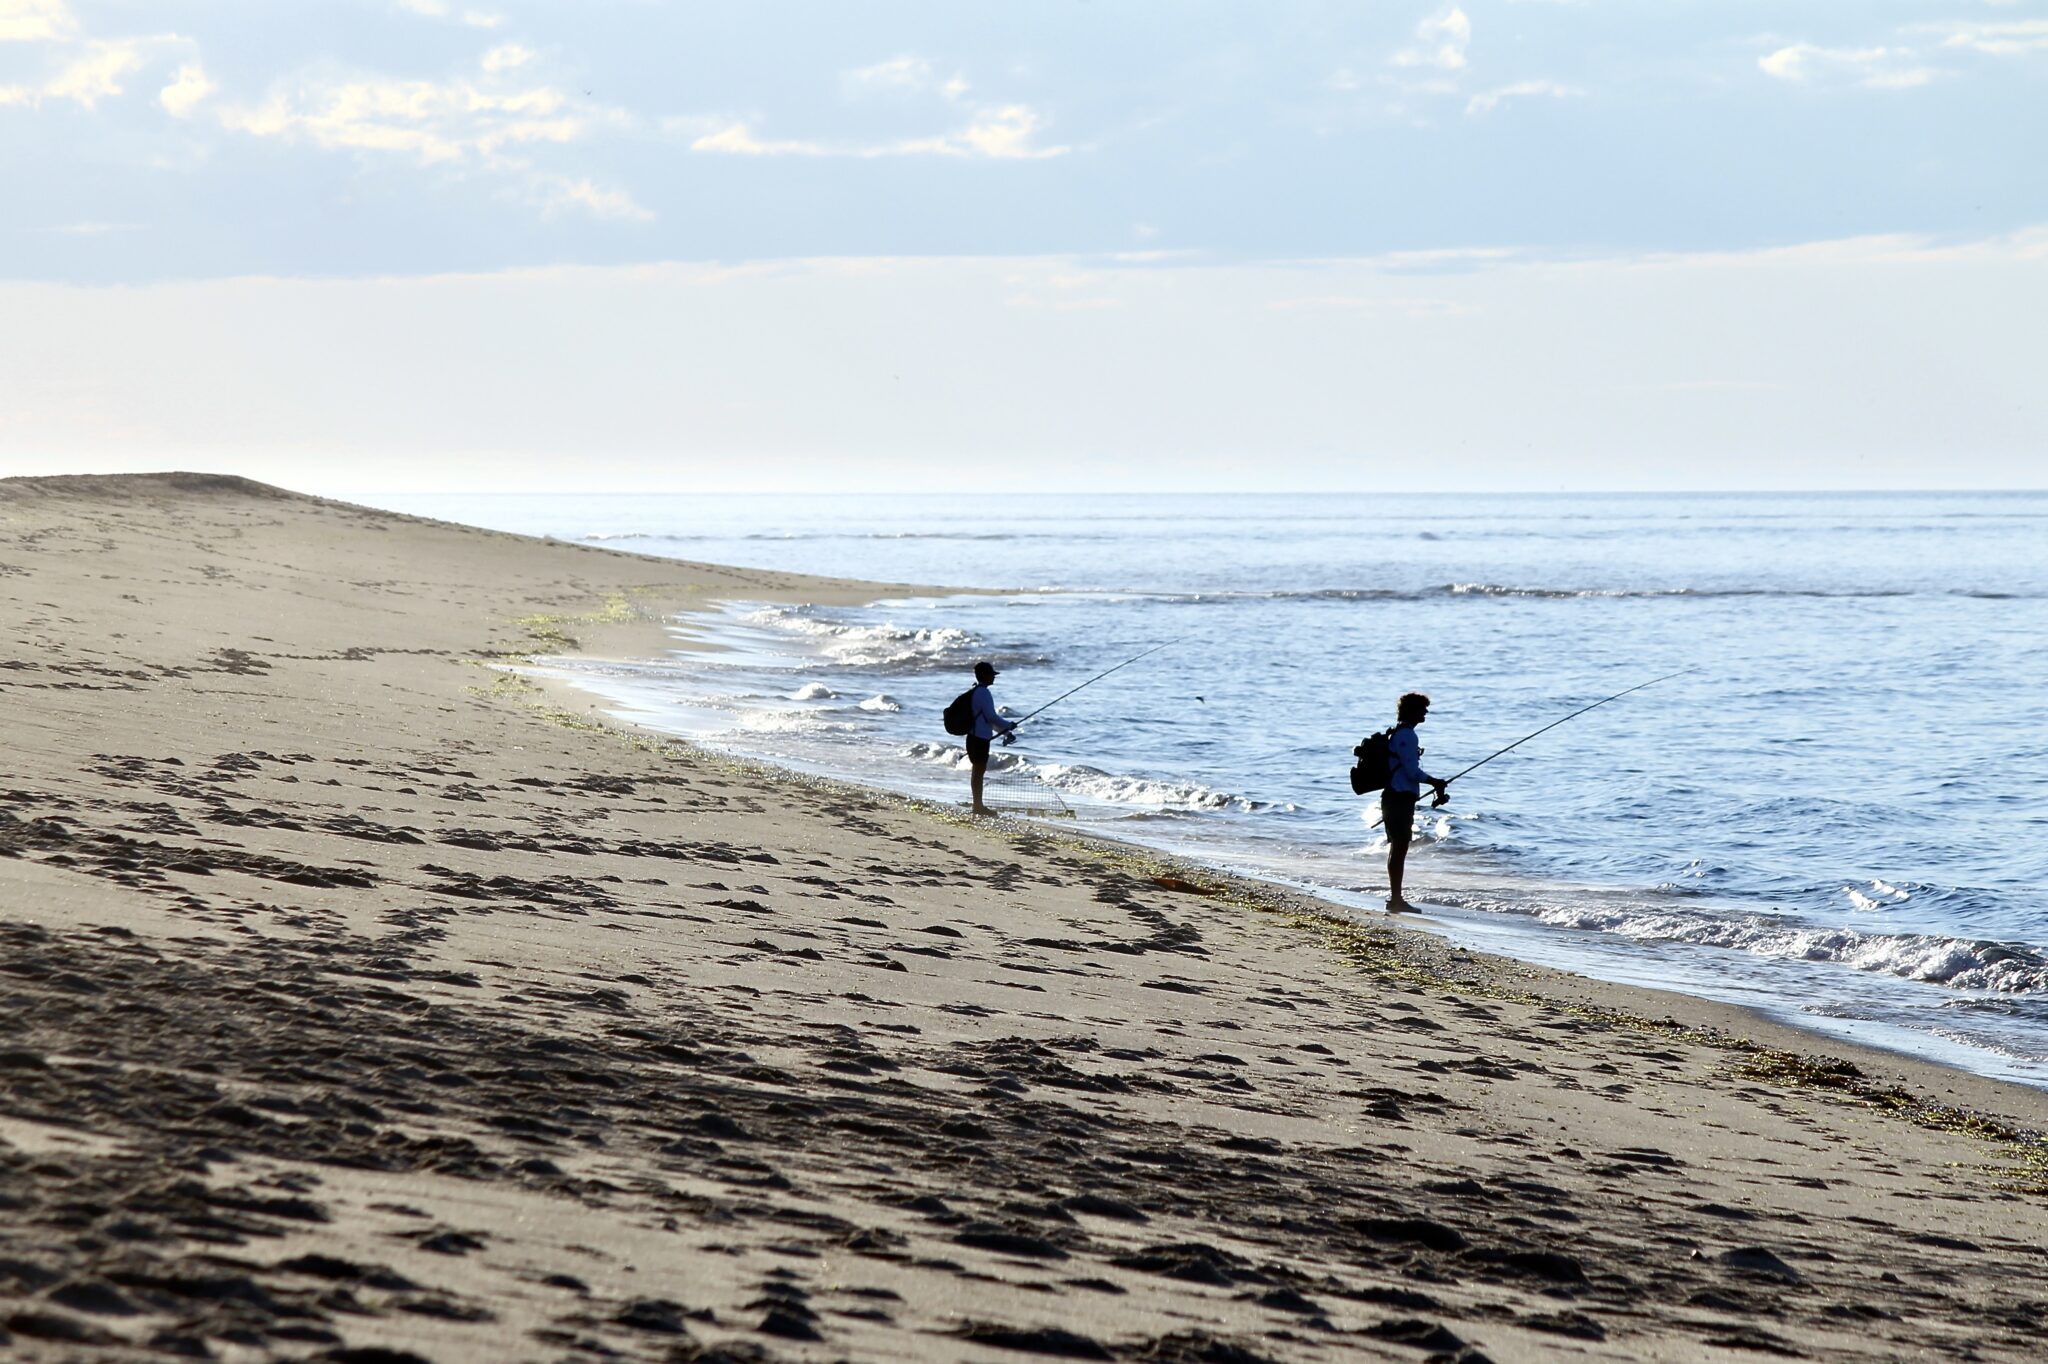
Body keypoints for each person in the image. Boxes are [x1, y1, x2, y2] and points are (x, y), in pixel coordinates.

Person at [1384, 691, 1448, 913]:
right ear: (1412, 711)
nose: (1426, 713)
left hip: (1394, 796)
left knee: (1398, 847)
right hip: (1399, 797)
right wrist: (1434, 781)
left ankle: (1395, 897)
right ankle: (1396, 899)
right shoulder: (1408, 736)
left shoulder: (1398, 733)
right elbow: (1411, 772)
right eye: (1423, 709)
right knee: (1400, 847)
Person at [966, 660, 1018, 816]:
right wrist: (1008, 725)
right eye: (992, 675)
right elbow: (991, 717)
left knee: (977, 771)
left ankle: (977, 804)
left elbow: (987, 720)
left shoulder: (975, 692)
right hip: (979, 739)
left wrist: (1006, 732)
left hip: (973, 737)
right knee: (978, 771)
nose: (994, 678)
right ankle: (978, 806)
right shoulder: (984, 693)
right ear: (985, 676)